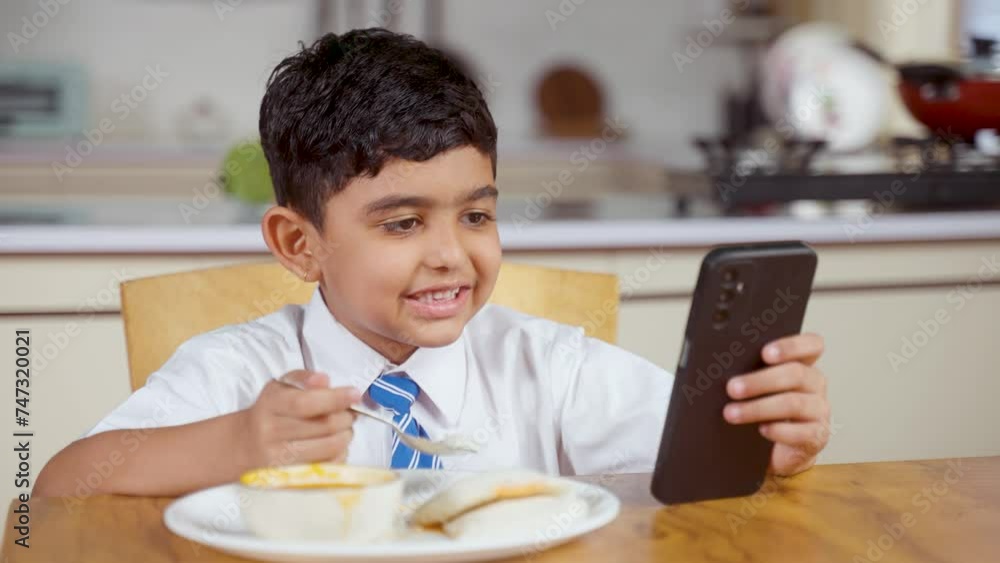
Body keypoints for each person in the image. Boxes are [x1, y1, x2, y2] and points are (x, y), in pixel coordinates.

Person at [34, 29, 830, 498]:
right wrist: (239, 442)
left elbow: (684, 461)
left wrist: (764, 443)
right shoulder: (246, 373)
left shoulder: (547, 368)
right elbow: (58, 489)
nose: (453, 253)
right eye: (404, 222)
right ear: (298, 243)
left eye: (478, 214)